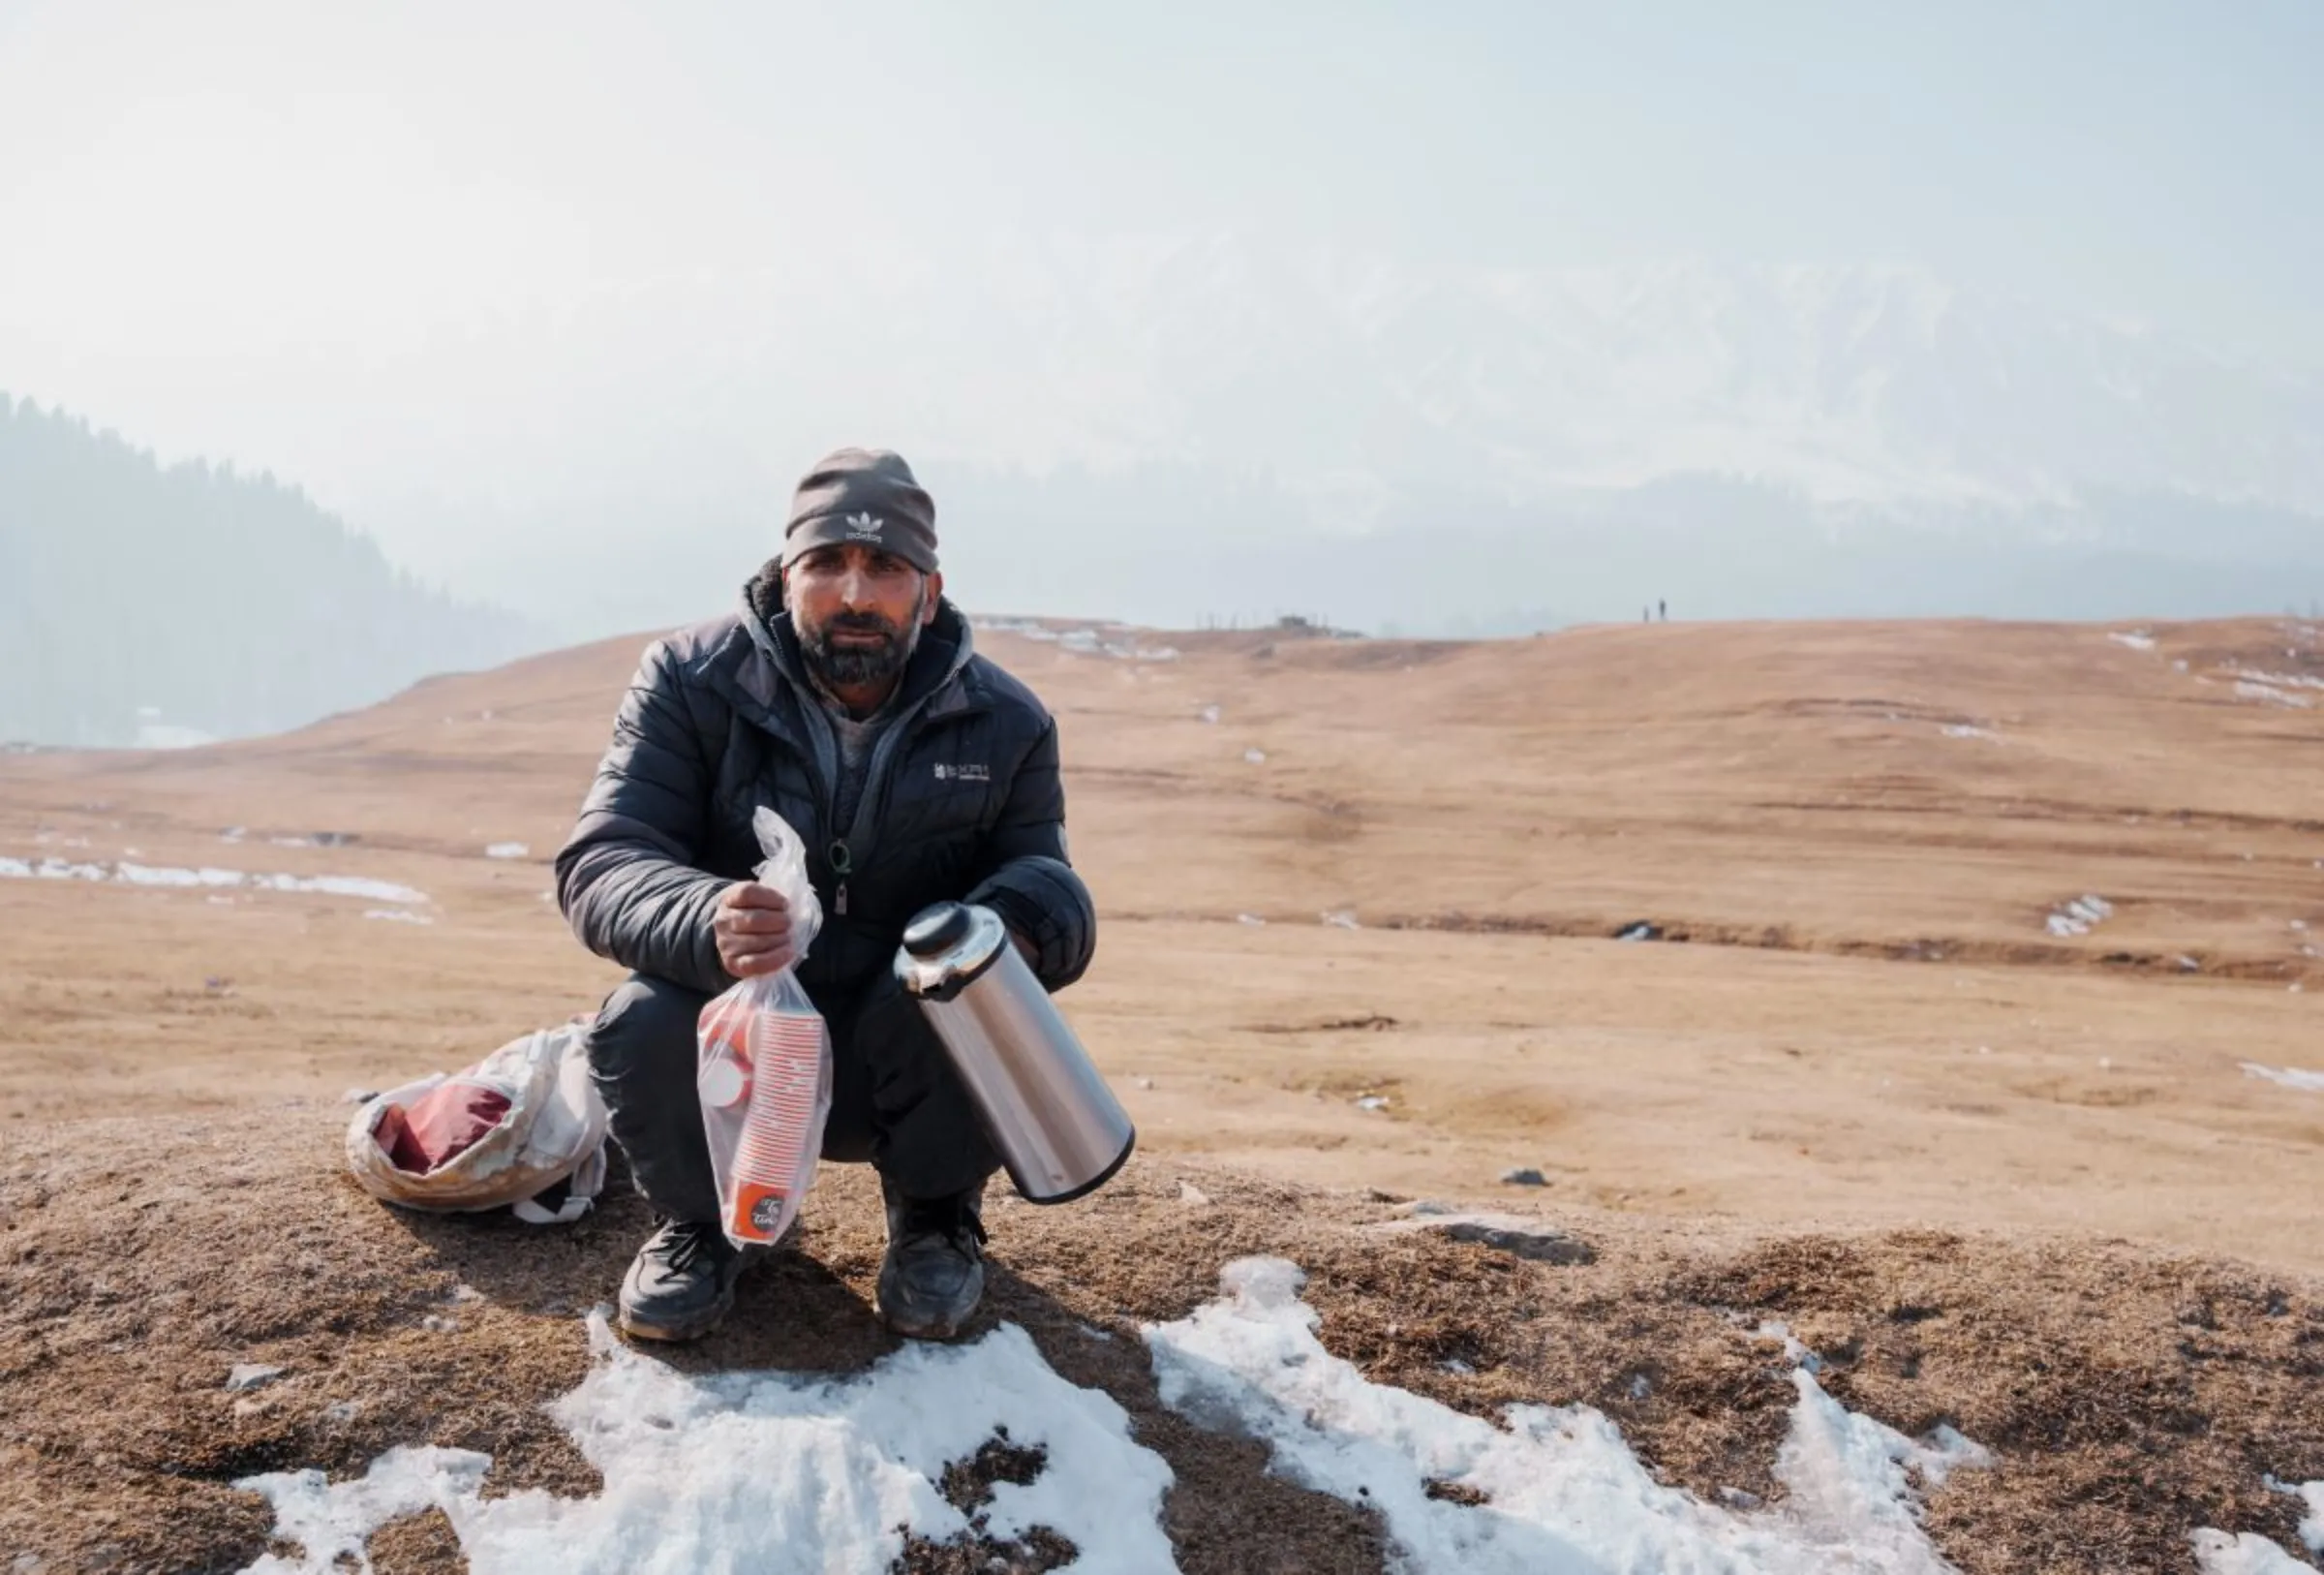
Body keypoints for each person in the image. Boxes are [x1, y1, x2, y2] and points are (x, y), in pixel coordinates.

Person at [555, 448, 1095, 1343]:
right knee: (642, 1014)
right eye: (828, 564)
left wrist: (1019, 929)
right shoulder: (690, 683)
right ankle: (705, 1222)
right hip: (750, 1036)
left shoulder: (1009, 721)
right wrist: (707, 918)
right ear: (785, 572)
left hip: (902, 1042)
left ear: (929, 588)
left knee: (979, 996)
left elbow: (1050, 880)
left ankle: (934, 1219)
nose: (854, 593)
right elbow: (603, 858)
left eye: (885, 568)